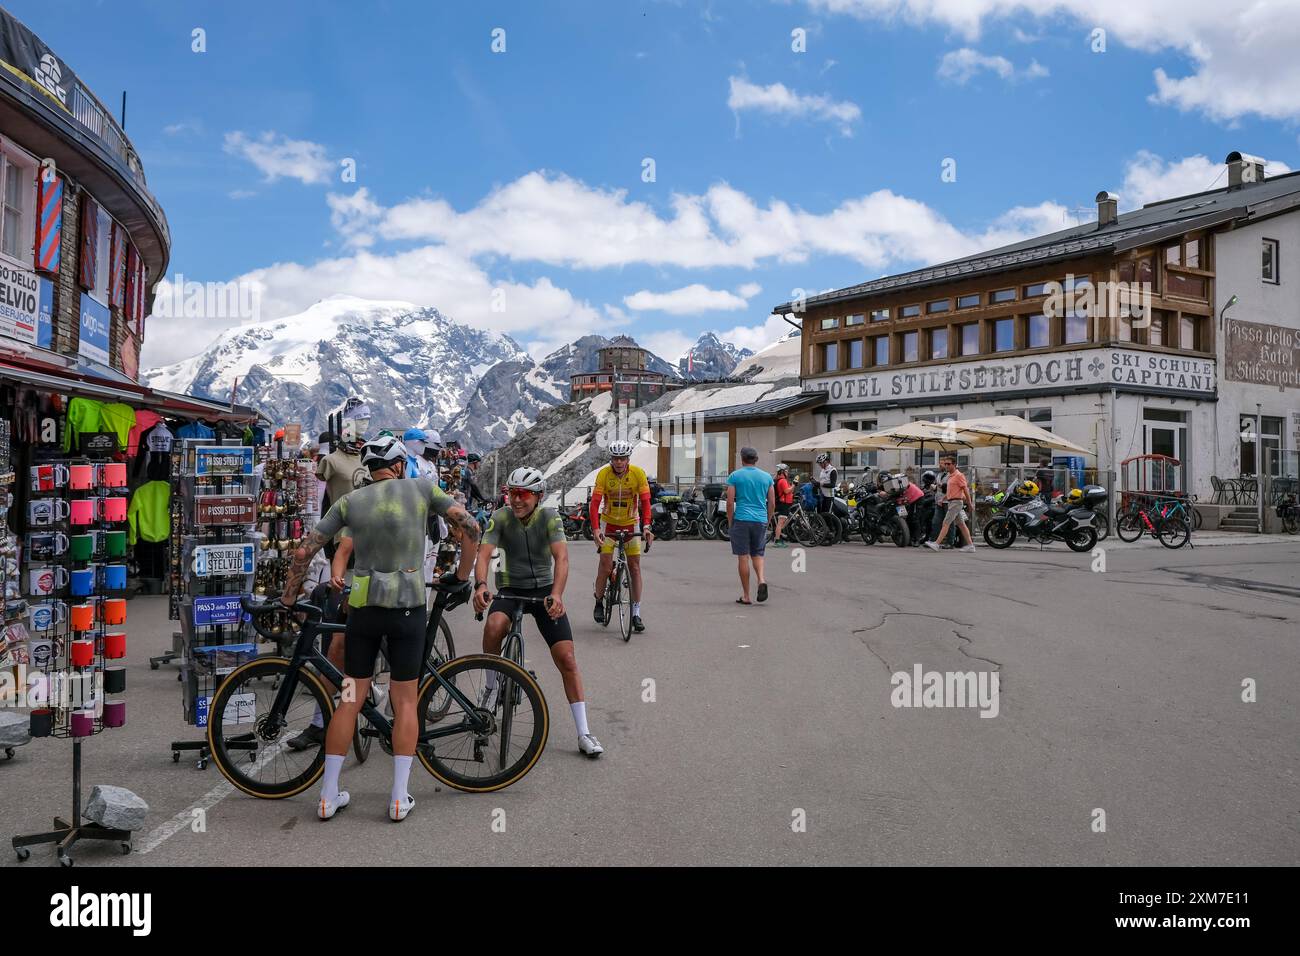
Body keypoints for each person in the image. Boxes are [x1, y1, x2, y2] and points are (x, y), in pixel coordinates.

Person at [280, 435, 480, 821]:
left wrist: (289, 599)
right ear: (401, 465)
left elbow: (305, 550)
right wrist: (462, 575)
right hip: (406, 610)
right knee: (405, 701)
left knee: (351, 697)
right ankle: (398, 797)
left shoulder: (351, 501)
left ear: (368, 470)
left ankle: (326, 796)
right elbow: (470, 527)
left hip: (363, 611)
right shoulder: (423, 488)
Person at [475, 467, 603, 757]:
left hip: (544, 591)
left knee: (567, 658)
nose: (516, 500)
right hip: (509, 589)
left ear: (538, 496)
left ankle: (583, 732)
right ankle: (491, 686)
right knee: (494, 627)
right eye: (511, 494)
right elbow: (483, 554)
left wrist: (556, 594)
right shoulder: (501, 517)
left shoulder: (549, 517)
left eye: (523, 494)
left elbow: (562, 558)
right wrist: (481, 585)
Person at [590, 440, 653, 632]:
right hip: (608, 523)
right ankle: (599, 602)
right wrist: (595, 529)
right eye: (616, 458)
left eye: (622, 458)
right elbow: (594, 504)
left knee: (634, 567)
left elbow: (646, 502)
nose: (619, 462)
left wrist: (647, 526)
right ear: (611, 459)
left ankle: (636, 614)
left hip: (630, 522)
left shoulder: (638, 474)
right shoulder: (603, 474)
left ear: (628, 459)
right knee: (605, 565)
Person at [726, 447, 775, 604]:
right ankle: (761, 580)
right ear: (756, 459)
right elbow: (772, 502)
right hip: (760, 520)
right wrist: (767, 520)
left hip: (741, 519)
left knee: (743, 557)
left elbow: (729, 502)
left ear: (742, 459)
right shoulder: (767, 477)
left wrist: (730, 521)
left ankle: (746, 596)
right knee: (758, 554)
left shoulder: (735, 476)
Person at [925, 455, 976, 553]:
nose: (946, 466)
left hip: (956, 502)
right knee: (961, 525)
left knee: (946, 523)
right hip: (952, 501)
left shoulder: (959, 475)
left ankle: (936, 544)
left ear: (954, 465)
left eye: (948, 464)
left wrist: (970, 504)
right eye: (945, 464)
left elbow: (965, 490)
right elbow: (951, 491)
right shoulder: (950, 476)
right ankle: (970, 546)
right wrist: (943, 499)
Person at [772, 463, 794, 548]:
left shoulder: (778, 480)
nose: (787, 472)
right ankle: (777, 540)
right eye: (786, 471)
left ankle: (779, 534)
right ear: (782, 472)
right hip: (783, 503)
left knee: (783, 521)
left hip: (783, 503)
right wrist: (794, 485)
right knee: (780, 522)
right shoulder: (783, 480)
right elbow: (787, 491)